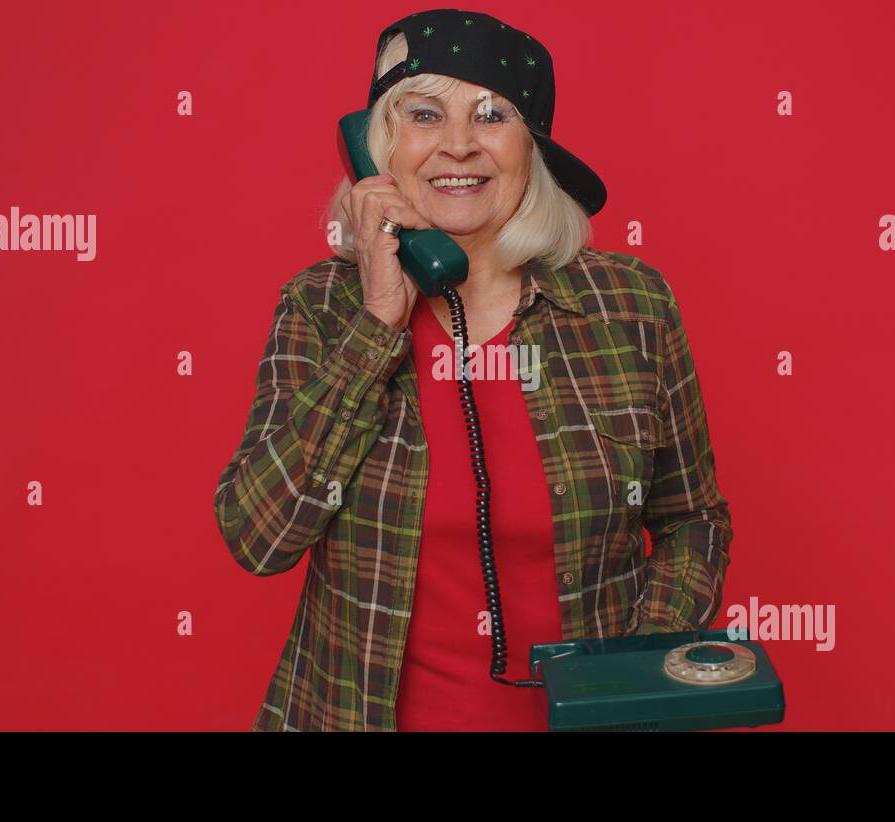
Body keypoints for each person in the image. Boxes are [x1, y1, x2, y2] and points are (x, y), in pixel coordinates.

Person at [212, 8, 733, 731]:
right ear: (378, 150)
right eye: (423, 116)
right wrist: (379, 321)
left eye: (491, 117)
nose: (457, 145)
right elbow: (257, 536)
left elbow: (693, 523)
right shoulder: (322, 308)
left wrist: (636, 672)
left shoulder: (632, 305)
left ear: (532, 149)